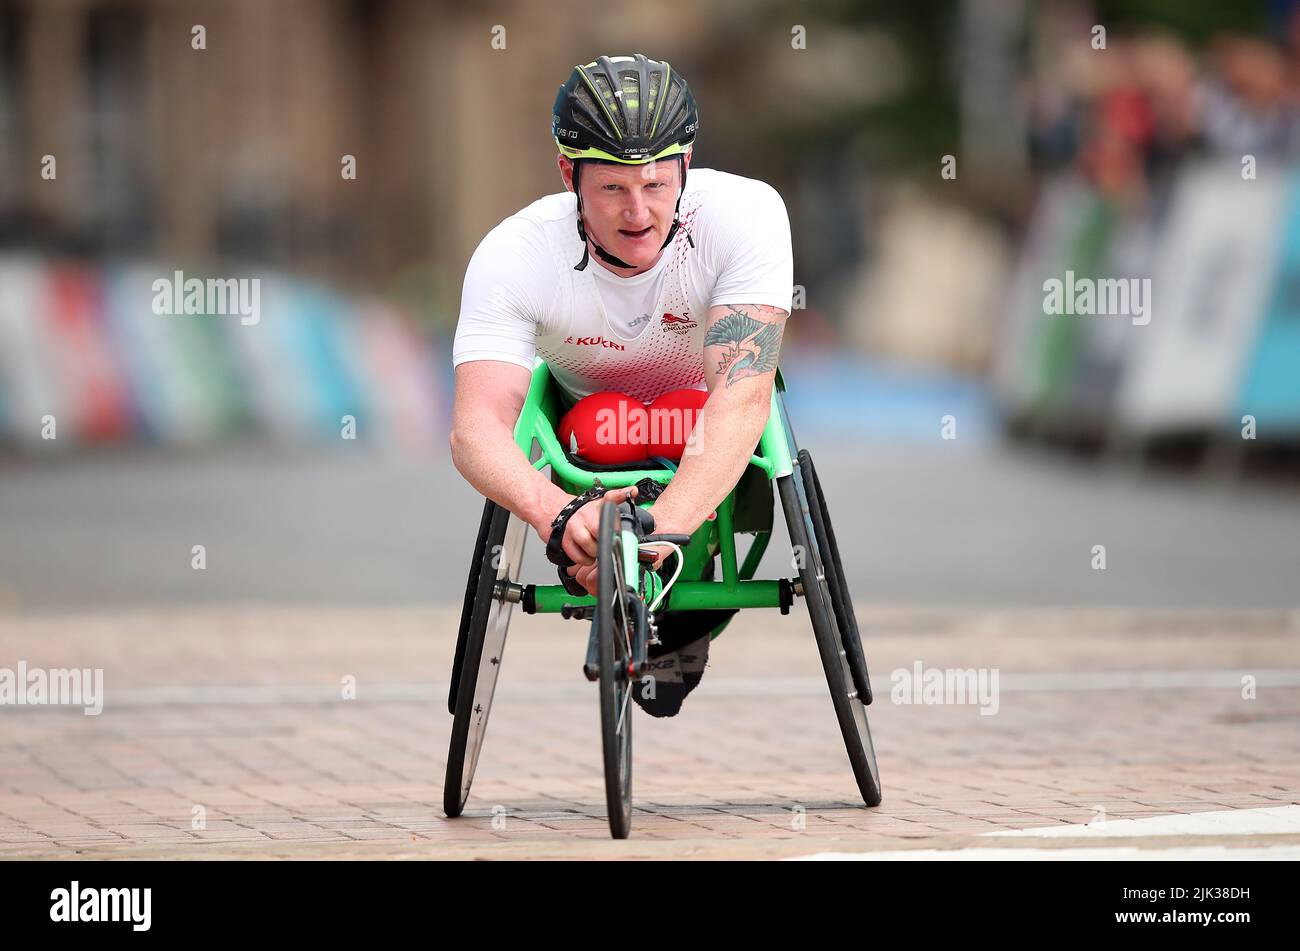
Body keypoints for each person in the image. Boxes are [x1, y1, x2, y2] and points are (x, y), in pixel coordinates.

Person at [451, 53, 792, 715]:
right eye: (611, 189)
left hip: (705, 424)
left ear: (686, 167)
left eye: (658, 185)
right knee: (599, 421)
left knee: (714, 406)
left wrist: (662, 531)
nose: (638, 212)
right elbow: (476, 429)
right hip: (589, 439)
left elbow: (743, 392)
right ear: (568, 174)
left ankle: (675, 595)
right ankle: (600, 558)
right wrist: (556, 517)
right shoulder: (514, 253)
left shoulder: (746, 215)